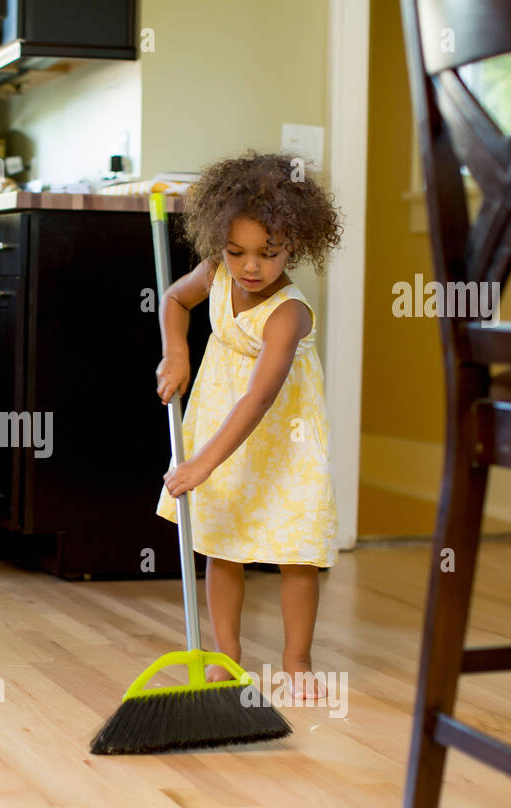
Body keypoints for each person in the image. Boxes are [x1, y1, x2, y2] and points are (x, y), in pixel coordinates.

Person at [155, 152, 342, 699]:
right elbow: (174, 298)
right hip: (220, 418)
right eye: (237, 252)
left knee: (296, 552)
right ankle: (225, 654)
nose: (251, 266)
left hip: (284, 441)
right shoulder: (215, 273)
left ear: (296, 244)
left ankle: (297, 662)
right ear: (219, 244)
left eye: (269, 252)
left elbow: (260, 398)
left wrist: (199, 465)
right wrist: (176, 353)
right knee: (223, 545)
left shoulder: (289, 313)